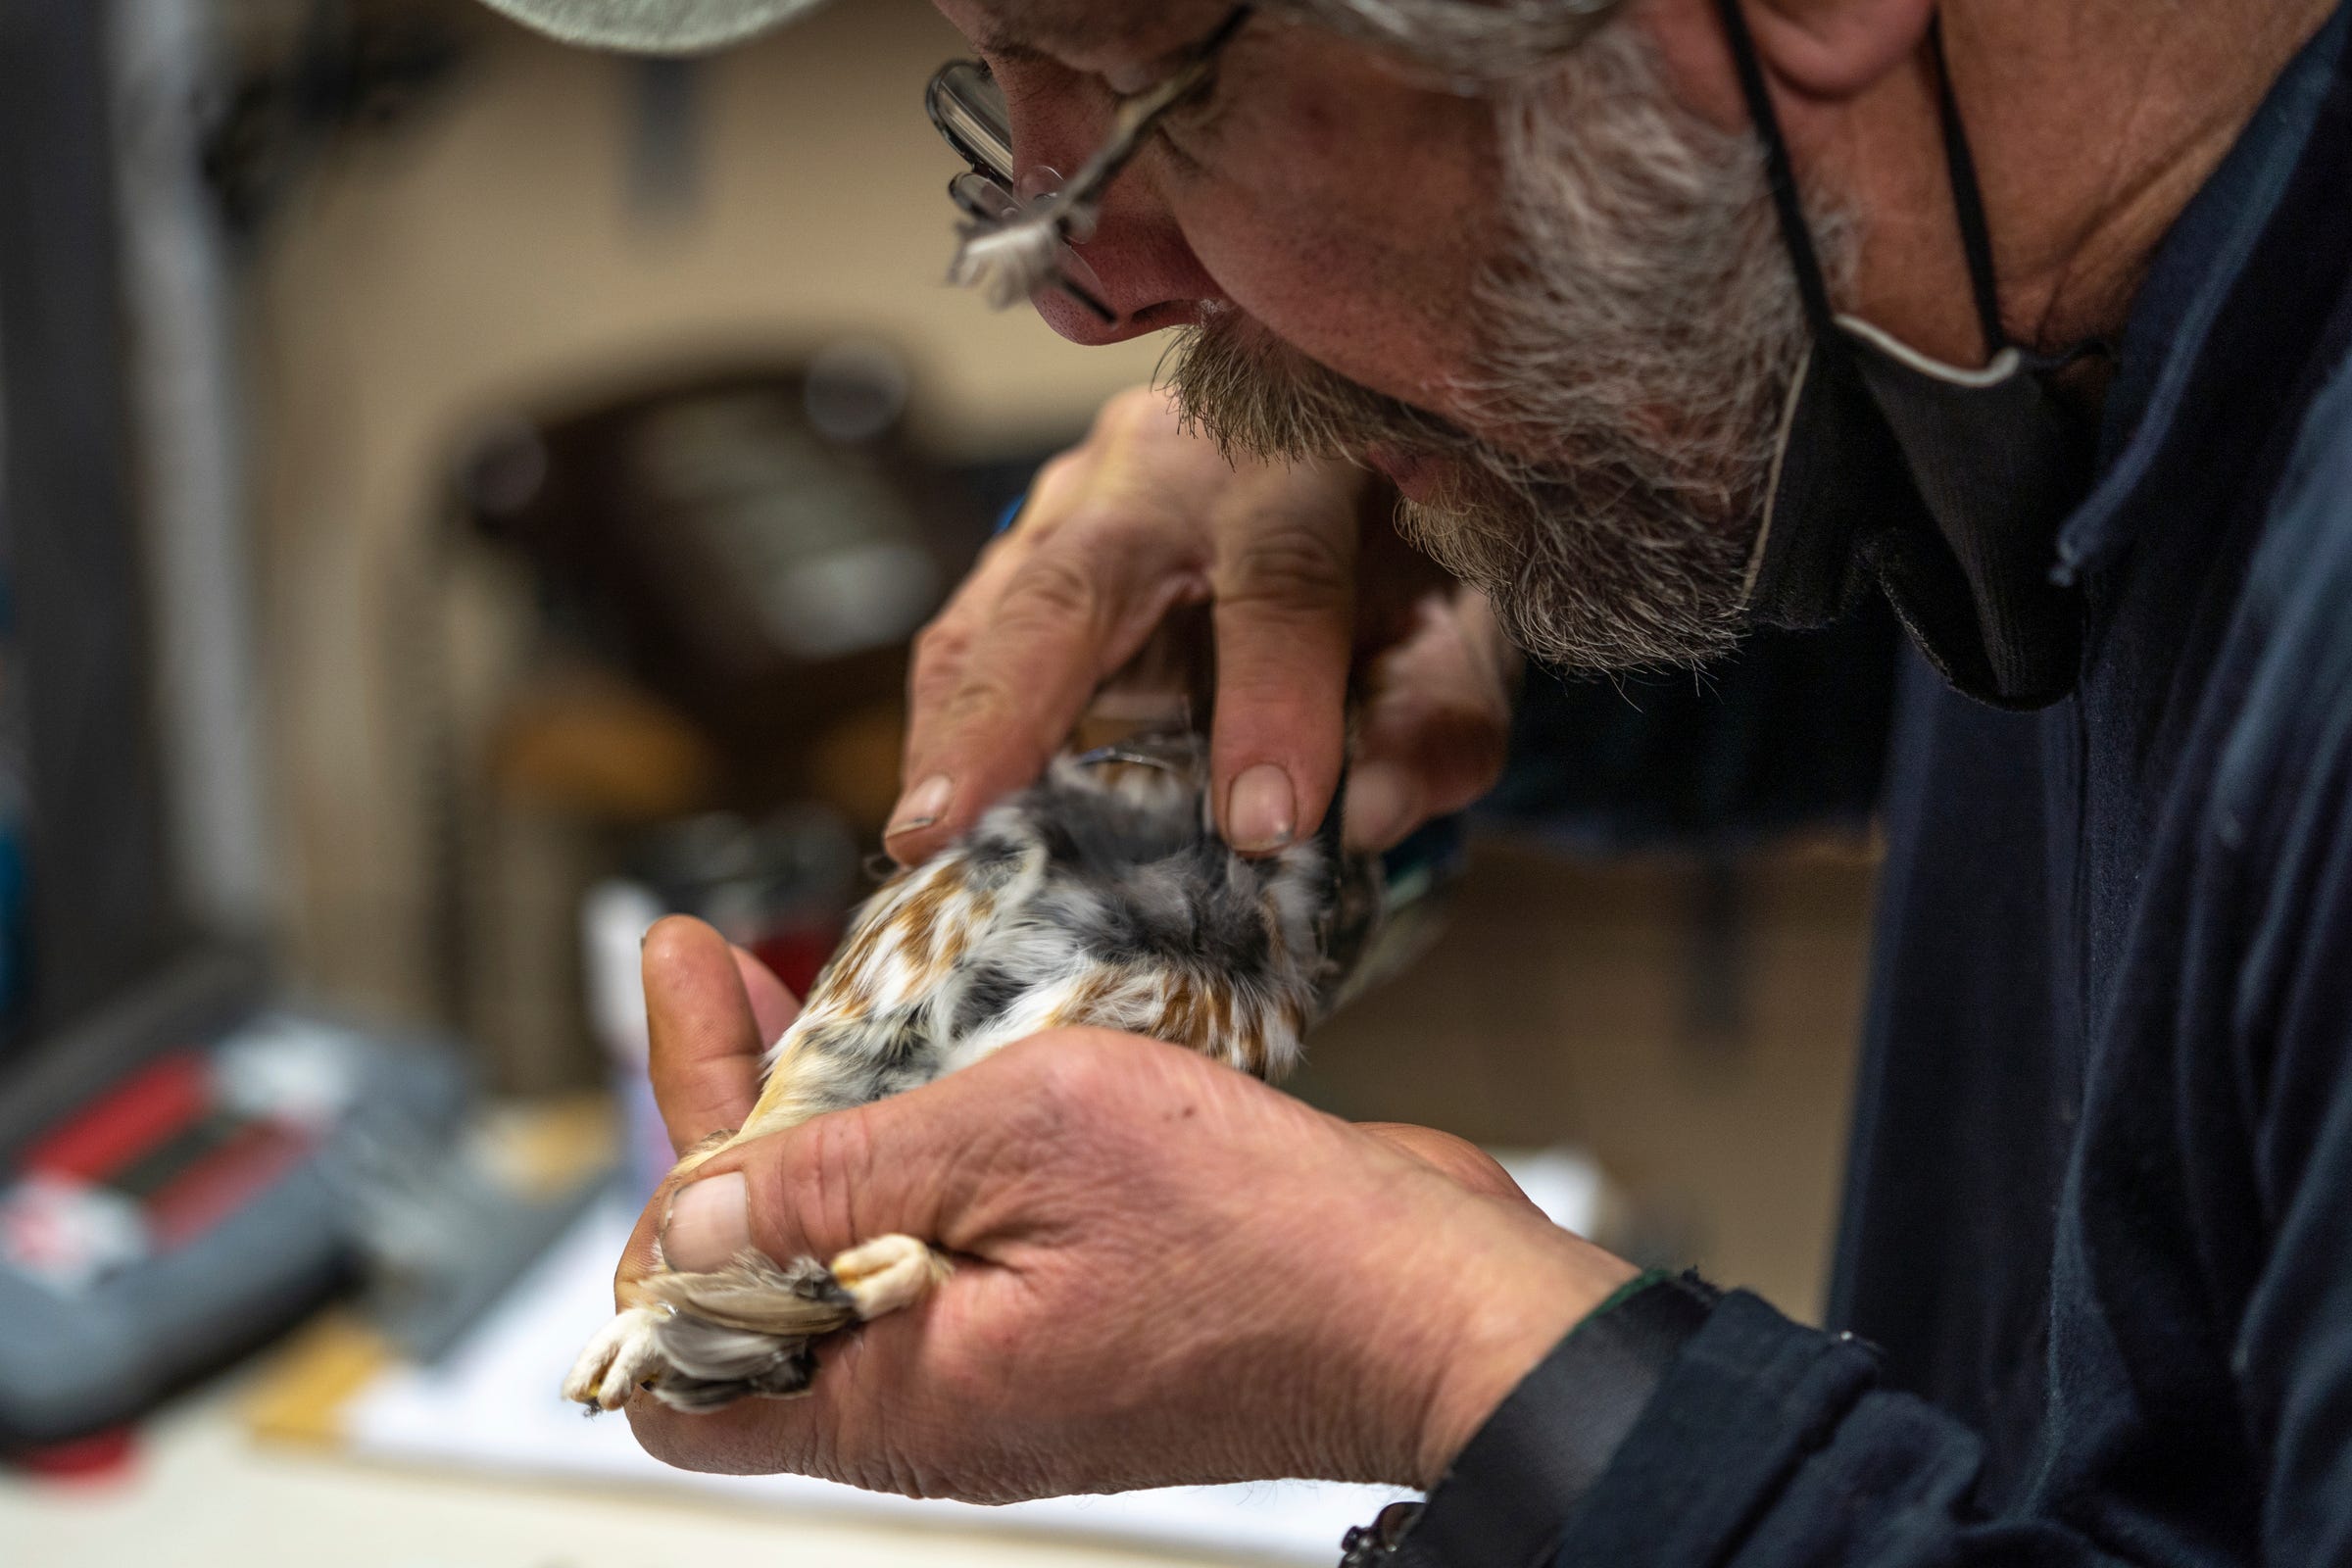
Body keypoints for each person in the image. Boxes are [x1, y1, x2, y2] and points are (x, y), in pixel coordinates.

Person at [479, 0, 2352, 1560]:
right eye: (1003, 97)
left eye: (1159, 94)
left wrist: (1466, 1370)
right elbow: (2064, 693)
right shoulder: (2108, 322)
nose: (1086, 297)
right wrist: (1481, 591)